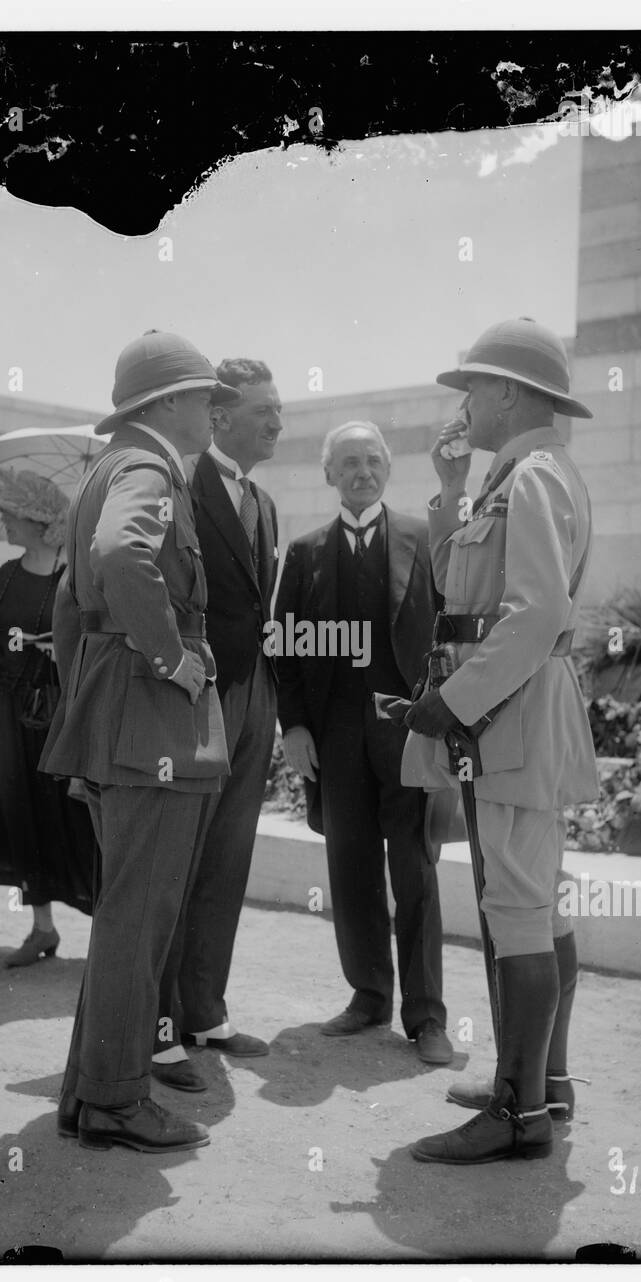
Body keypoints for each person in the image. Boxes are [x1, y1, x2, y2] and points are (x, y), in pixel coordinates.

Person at [402, 317, 599, 1165]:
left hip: (509, 714)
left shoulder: (534, 478)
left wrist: (451, 701)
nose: (465, 402)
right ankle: (541, 1085)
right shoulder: (517, 476)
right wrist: (449, 490)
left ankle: (516, 1117)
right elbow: (461, 589)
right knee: (532, 903)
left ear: (510, 393)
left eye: (473, 387)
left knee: (515, 908)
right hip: (511, 715)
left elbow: (537, 612)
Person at [40, 329, 240, 1154]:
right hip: (152, 715)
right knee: (139, 914)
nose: (214, 412)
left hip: (120, 711)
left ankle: (93, 1092)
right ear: (165, 404)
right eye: (205, 398)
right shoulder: (150, 467)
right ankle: (118, 1102)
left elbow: (65, 606)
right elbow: (122, 557)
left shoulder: (108, 467)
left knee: (128, 909)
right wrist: (171, 657)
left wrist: (93, 697)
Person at [275, 421, 451, 1065]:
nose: (361, 471)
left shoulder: (422, 539)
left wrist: (445, 706)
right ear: (329, 475)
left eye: (372, 460)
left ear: (387, 469)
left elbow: (449, 628)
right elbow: (284, 646)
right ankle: (370, 994)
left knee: (414, 869)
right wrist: (292, 726)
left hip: (406, 730)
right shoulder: (303, 552)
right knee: (349, 869)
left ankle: (427, 1015)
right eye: (347, 462)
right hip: (336, 733)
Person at [153, 358, 282, 1091]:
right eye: (264, 410)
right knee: (183, 858)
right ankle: (161, 1024)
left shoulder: (262, 503)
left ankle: (204, 1007)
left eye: (279, 411)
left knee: (228, 858)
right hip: (199, 696)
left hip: (251, 696)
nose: (276, 424)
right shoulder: (180, 487)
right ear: (222, 414)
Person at [0, 469, 96, 965]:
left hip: (60, 714)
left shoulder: (76, 576)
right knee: (22, 815)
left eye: (10, 515)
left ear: (36, 520)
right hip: (7, 712)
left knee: (74, 815)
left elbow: (96, 641)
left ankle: (107, 930)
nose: (4, 523)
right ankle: (43, 928)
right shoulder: (7, 574)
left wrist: (64, 651)